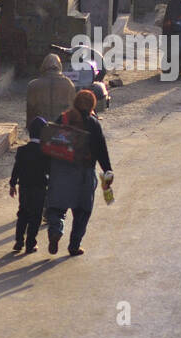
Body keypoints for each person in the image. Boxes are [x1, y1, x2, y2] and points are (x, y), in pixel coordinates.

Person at [44, 89, 112, 256]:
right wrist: (108, 170)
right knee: (82, 211)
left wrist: (48, 170)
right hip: (84, 173)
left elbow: (51, 143)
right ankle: (74, 245)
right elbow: (101, 150)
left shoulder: (63, 118)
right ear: (92, 105)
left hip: (61, 170)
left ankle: (56, 229)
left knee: (57, 207)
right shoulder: (93, 124)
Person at [9, 117, 50, 255]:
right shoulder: (46, 152)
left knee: (23, 213)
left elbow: (17, 168)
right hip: (39, 188)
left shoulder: (22, 150)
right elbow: (50, 171)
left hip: (24, 187)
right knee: (36, 216)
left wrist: (12, 184)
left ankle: (19, 242)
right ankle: (30, 244)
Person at [26, 53, 75, 127]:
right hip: (62, 128)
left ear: (43, 66)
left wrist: (29, 127)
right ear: (60, 66)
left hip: (41, 128)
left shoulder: (33, 85)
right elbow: (72, 109)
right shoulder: (69, 84)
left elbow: (30, 111)